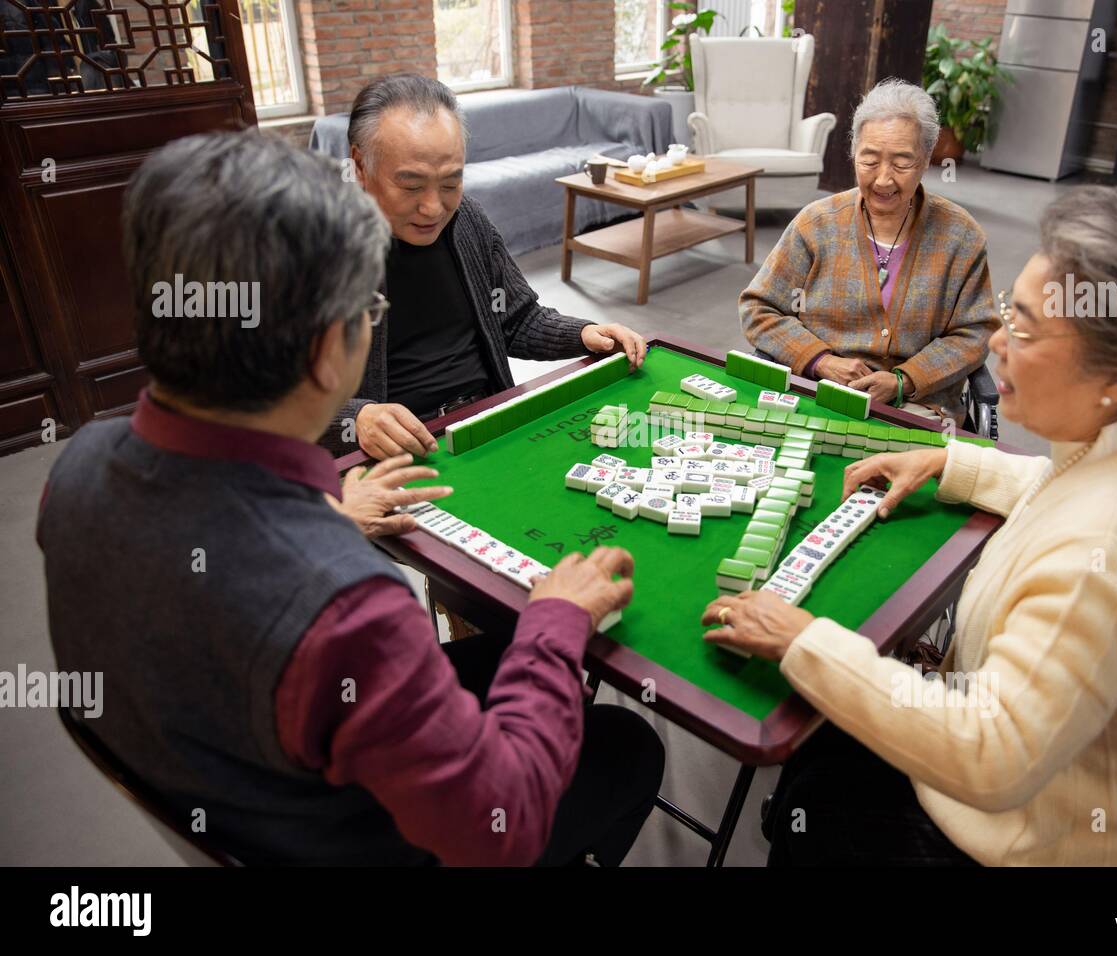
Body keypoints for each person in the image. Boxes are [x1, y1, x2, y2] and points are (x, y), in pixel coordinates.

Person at [40, 130, 664, 866]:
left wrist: (324, 518)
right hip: (369, 841)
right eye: (369, 308)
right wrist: (558, 618)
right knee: (625, 745)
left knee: (500, 650)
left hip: (241, 782)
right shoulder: (346, 608)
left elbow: (212, 573)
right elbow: (502, 825)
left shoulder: (73, 470)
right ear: (323, 351)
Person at [706, 185, 1117, 866]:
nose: (992, 345)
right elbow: (1069, 484)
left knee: (814, 779)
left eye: (1021, 330)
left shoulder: (1102, 551)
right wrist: (947, 461)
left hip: (1055, 840)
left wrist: (804, 639)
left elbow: (991, 758)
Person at [325, 73, 647, 458]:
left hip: (485, 426)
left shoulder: (467, 221)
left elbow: (517, 320)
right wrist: (357, 418)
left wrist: (585, 333)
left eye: (450, 183)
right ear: (360, 165)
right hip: (390, 455)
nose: (433, 207)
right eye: (411, 186)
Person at [740, 78, 997, 422]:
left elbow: (975, 333)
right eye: (870, 160)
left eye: (902, 163)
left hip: (920, 409)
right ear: (853, 153)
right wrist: (821, 361)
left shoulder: (960, 236)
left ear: (925, 161)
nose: (883, 180)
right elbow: (759, 308)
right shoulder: (816, 224)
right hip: (819, 397)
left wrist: (904, 381)